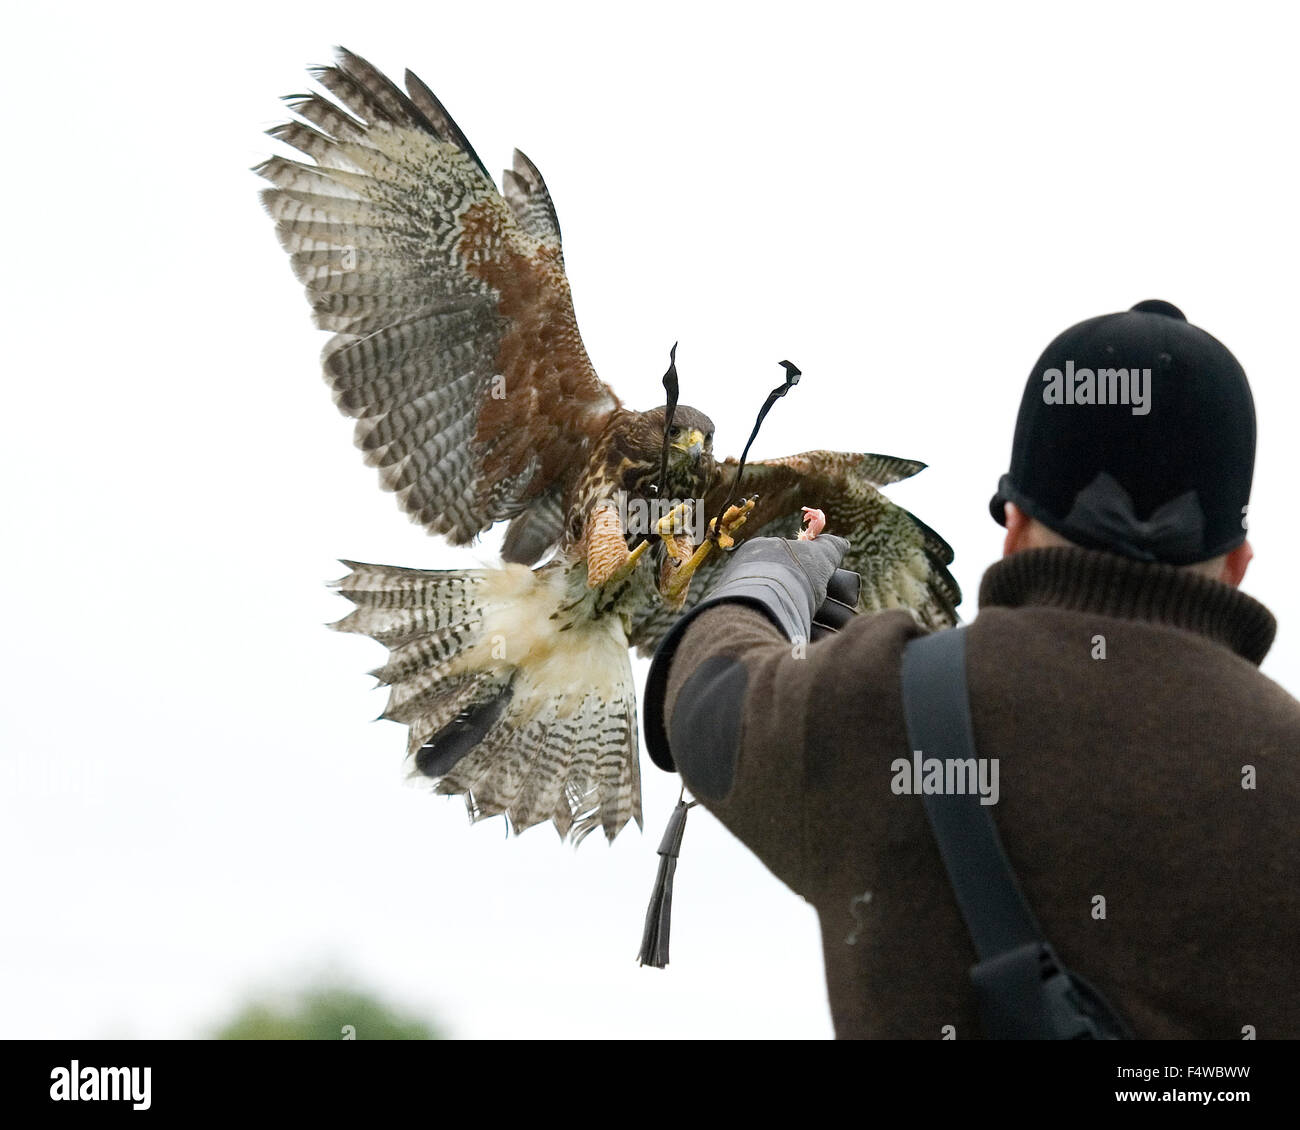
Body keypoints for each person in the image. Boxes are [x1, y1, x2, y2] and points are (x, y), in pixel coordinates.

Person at [642, 300, 1300, 1039]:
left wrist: (770, 568)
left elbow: (703, 694)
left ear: (1014, 529)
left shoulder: (882, 702)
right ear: (1239, 567)